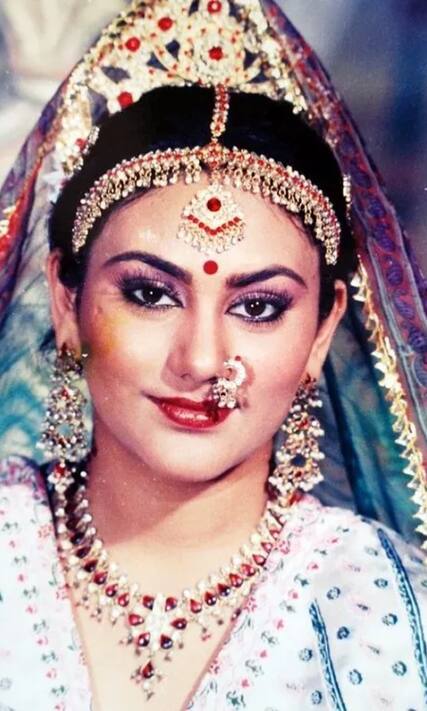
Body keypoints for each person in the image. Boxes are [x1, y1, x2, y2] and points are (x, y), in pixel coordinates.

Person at [0, 1, 426, 710]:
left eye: (257, 307)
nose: (201, 360)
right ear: (68, 303)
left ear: (322, 330)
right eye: (149, 294)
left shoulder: (391, 611)